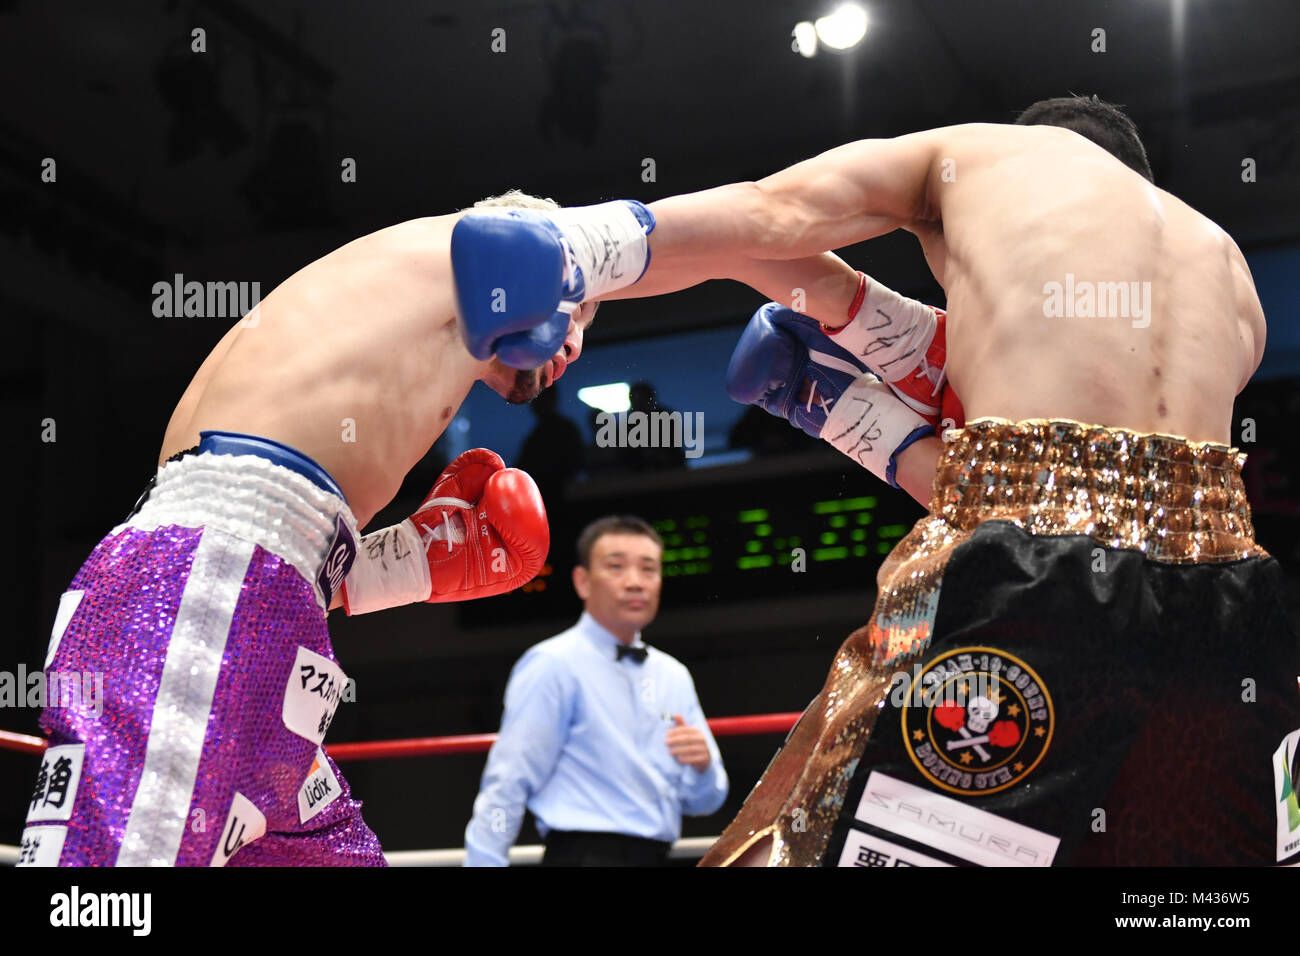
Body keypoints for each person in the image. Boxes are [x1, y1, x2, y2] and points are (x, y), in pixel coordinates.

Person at [453, 96, 1299, 867]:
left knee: (808, 838)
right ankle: (855, 391)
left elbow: (767, 215)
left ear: (1035, 137)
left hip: (1028, 573)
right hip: (1231, 595)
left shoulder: (982, 157)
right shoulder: (1229, 275)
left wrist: (574, 254)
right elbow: (1099, 483)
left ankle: (851, 396)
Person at [17, 190, 584, 868]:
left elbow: (279, 562)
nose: (575, 343)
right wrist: (740, 227)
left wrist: (409, 562)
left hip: (246, 640)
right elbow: (234, 527)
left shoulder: (412, 376)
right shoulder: (401, 307)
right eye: (578, 307)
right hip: (185, 607)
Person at [463, 515, 728, 866]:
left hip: (658, 856)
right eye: (616, 567)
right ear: (583, 581)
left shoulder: (673, 675)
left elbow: (708, 800)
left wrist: (703, 767)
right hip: (582, 856)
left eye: (648, 569)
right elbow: (509, 779)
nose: (635, 582)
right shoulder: (553, 663)